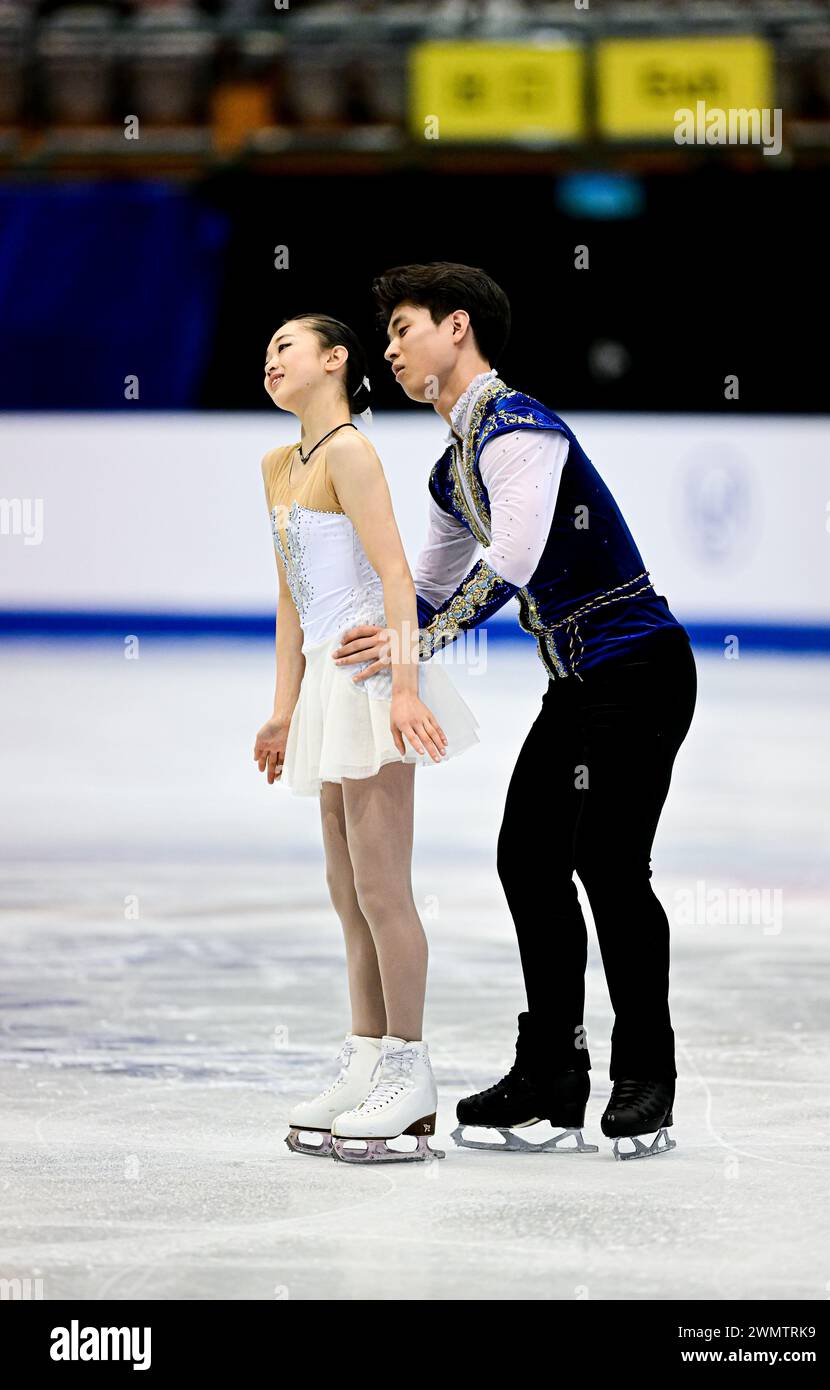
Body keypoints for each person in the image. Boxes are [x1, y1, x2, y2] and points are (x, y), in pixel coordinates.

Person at [331, 264, 698, 1160]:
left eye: (403, 329)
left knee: (608, 862)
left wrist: (416, 644)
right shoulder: (450, 467)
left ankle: (646, 1071)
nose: (390, 350)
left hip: (640, 669)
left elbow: (516, 560)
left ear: (457, 328)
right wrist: (368, 630)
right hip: (576, 682)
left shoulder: (519, 429)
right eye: (386, 340)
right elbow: (428, 582)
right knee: (528, 859)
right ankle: (552, 1073)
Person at [255, 312, 479, 1164]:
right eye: (266, 352)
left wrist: (406, 688)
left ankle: (411, 1072)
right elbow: (289, 598)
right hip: (323, 681)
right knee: (346, 889)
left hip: (371, 681)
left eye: (286, 347)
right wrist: (283, 708)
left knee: (384, 889)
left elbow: (395, 574)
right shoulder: (278, 464)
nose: (270, 361)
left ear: (334, 360)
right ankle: (365, 1057)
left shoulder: (352, 451)